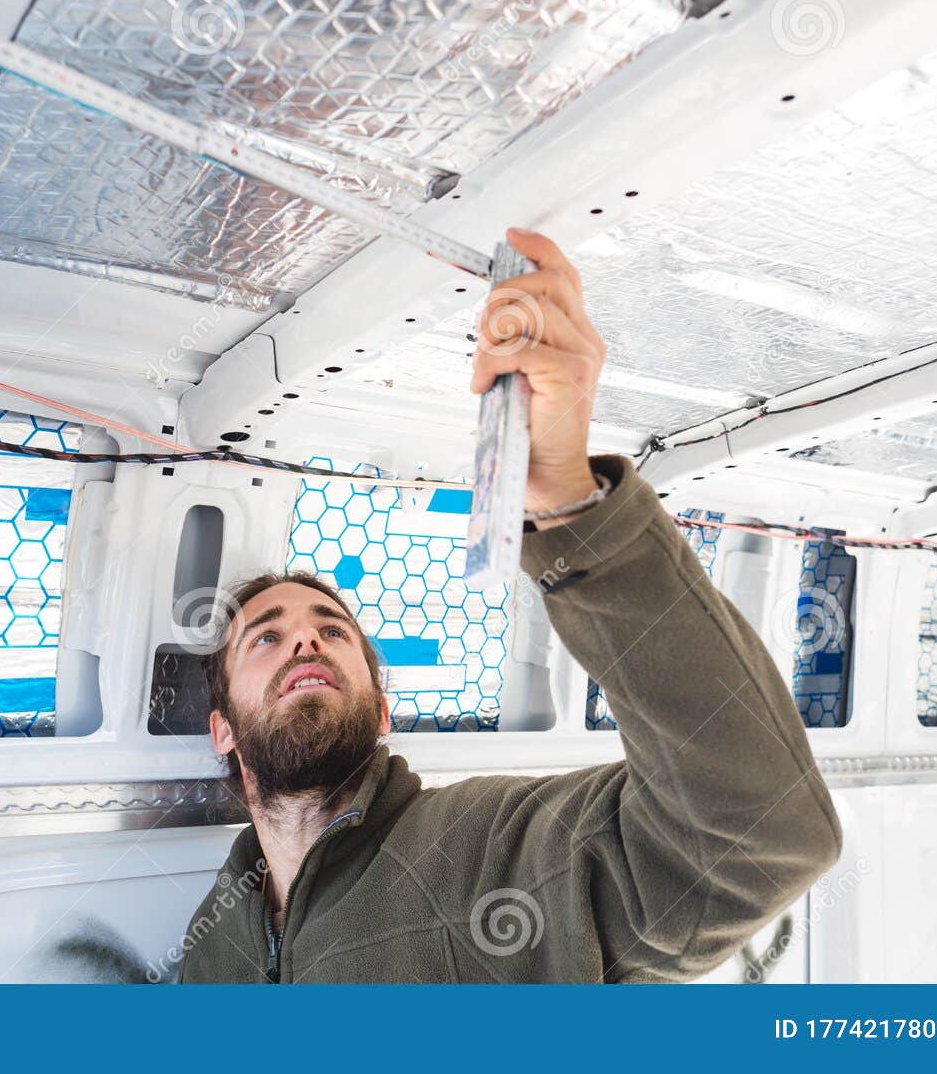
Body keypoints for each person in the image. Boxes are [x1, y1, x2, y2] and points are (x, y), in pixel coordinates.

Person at [177, 228, 842, 982]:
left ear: (383, 712)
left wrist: (570, 511)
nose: (307, 642)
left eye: (333, 631)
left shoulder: (486, 850)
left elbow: (755, 834)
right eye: (266, 637)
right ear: (223, 730)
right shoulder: (213, 940)